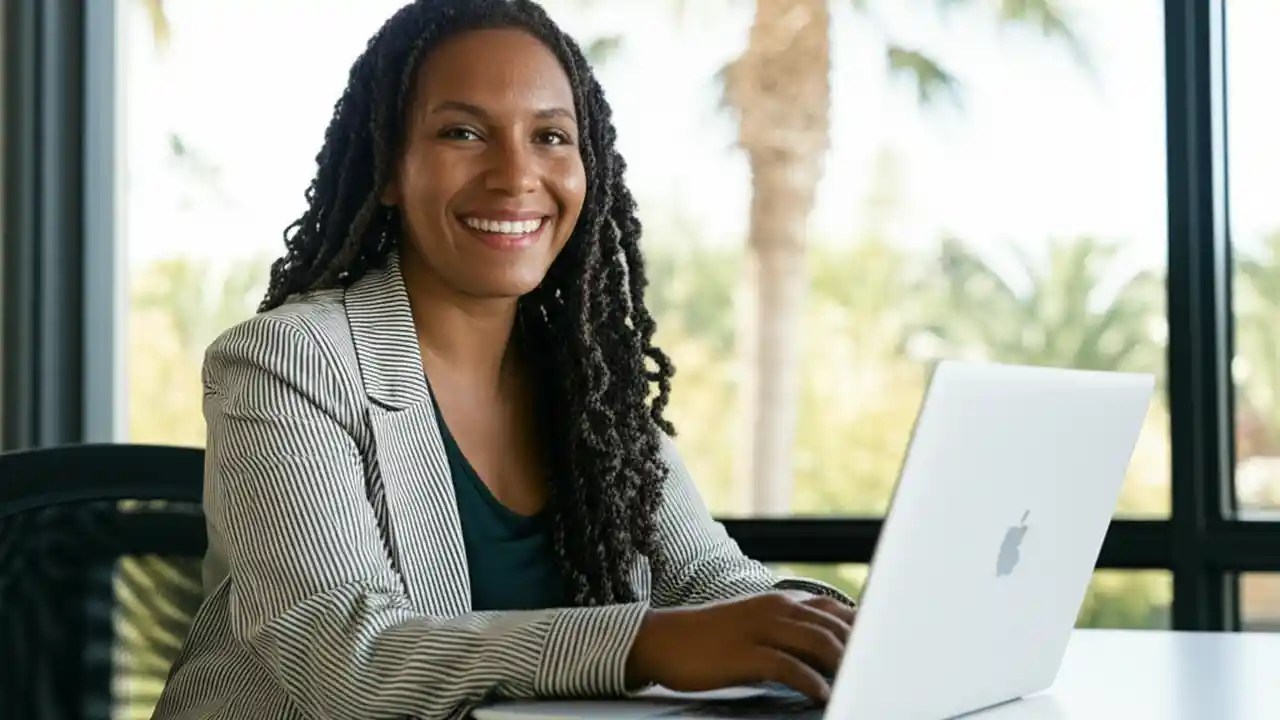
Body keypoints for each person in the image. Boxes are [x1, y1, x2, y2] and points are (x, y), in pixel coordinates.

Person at [151, 1, 856, 718]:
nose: (516, 175)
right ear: (389, 167)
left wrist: (846, 629)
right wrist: (643, 643)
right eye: (463, 133)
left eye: (550, 136)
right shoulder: (287, 362)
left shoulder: (589, 382)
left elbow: (709, 581)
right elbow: (342, 655)